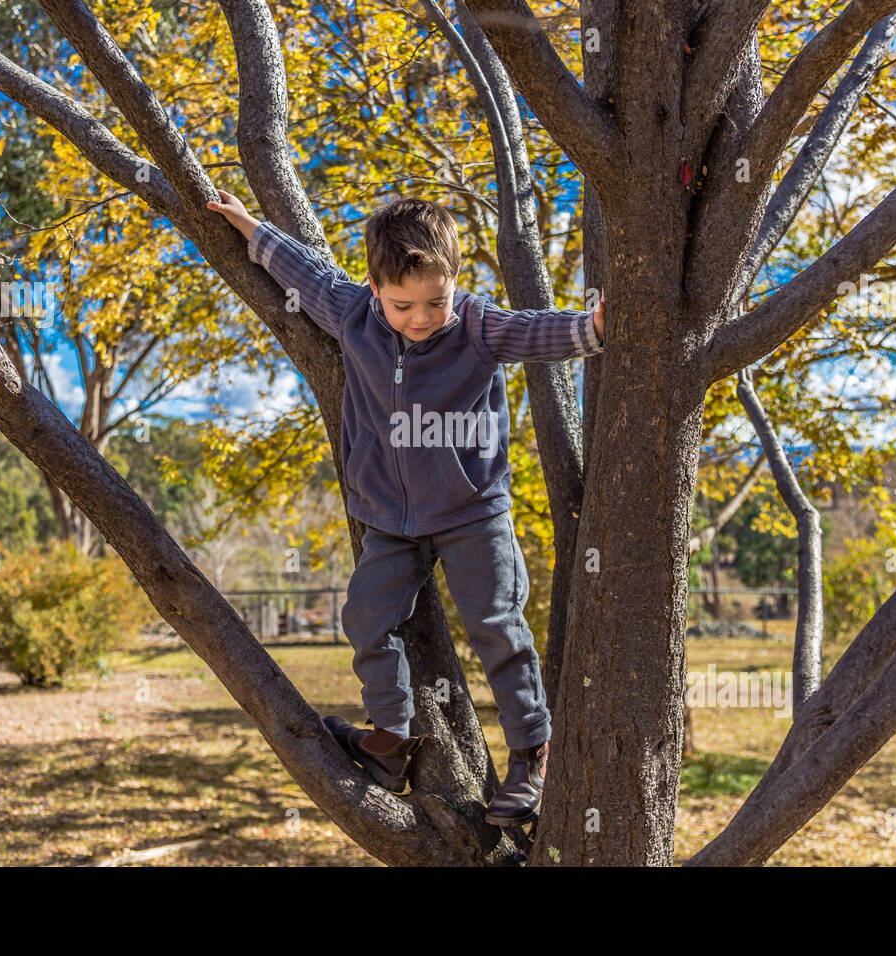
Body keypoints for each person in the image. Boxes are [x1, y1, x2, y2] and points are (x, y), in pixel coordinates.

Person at [208, 190, 605, 827]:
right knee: (366, 619)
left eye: (435, 301)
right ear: (374, 288)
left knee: (497, 627)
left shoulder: (475, 325)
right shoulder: (353, 312)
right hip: (388, 520)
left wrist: (597, 327)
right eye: (402, 305)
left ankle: (532, 754)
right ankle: (390, 739)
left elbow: (536, 330)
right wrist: (247, 225)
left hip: (473, 510)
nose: (421, 318)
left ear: (456, 282)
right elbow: (307, 272)